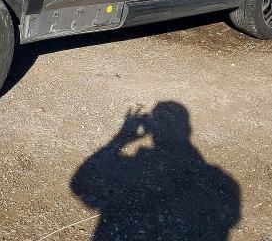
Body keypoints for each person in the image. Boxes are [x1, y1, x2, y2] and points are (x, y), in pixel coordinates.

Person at [70, 102, 241, 240]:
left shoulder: (132, 169)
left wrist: (122, 137)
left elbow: (80, 182)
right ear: (188, 130)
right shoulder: (221, 181)